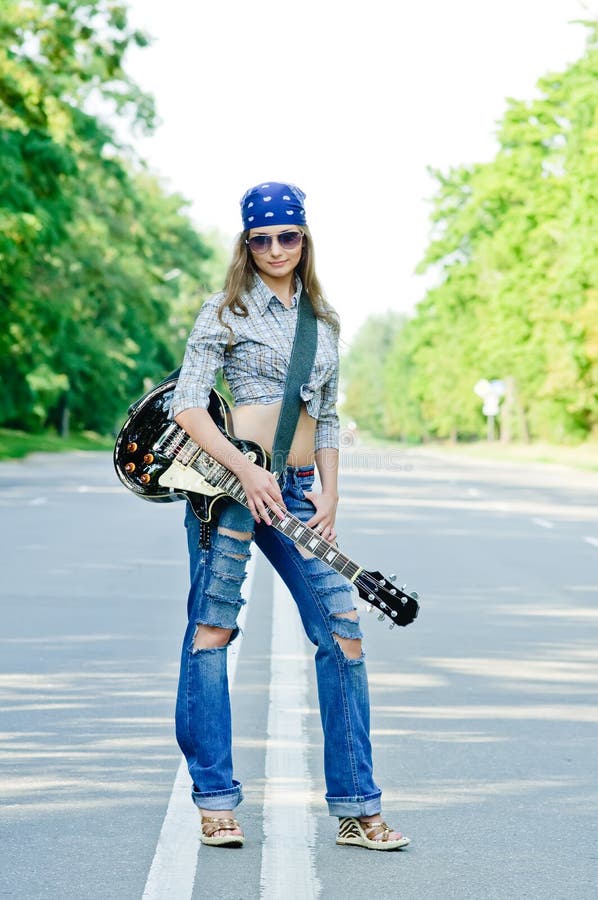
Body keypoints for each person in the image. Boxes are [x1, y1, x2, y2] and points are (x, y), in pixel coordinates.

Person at [170, 181, 409, 851]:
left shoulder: (323, 320)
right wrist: (246, 470)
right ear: (247, 244)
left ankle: (358, 808)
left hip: (301, 490)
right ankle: (215, 800)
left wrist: (332, 492)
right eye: (263, 237)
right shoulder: (224, 311)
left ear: (305, 240)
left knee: (344, 634)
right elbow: (188, 407)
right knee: (211, 633)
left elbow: (326, 414)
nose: (277, 247)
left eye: (289, 235)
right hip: (227, 488)